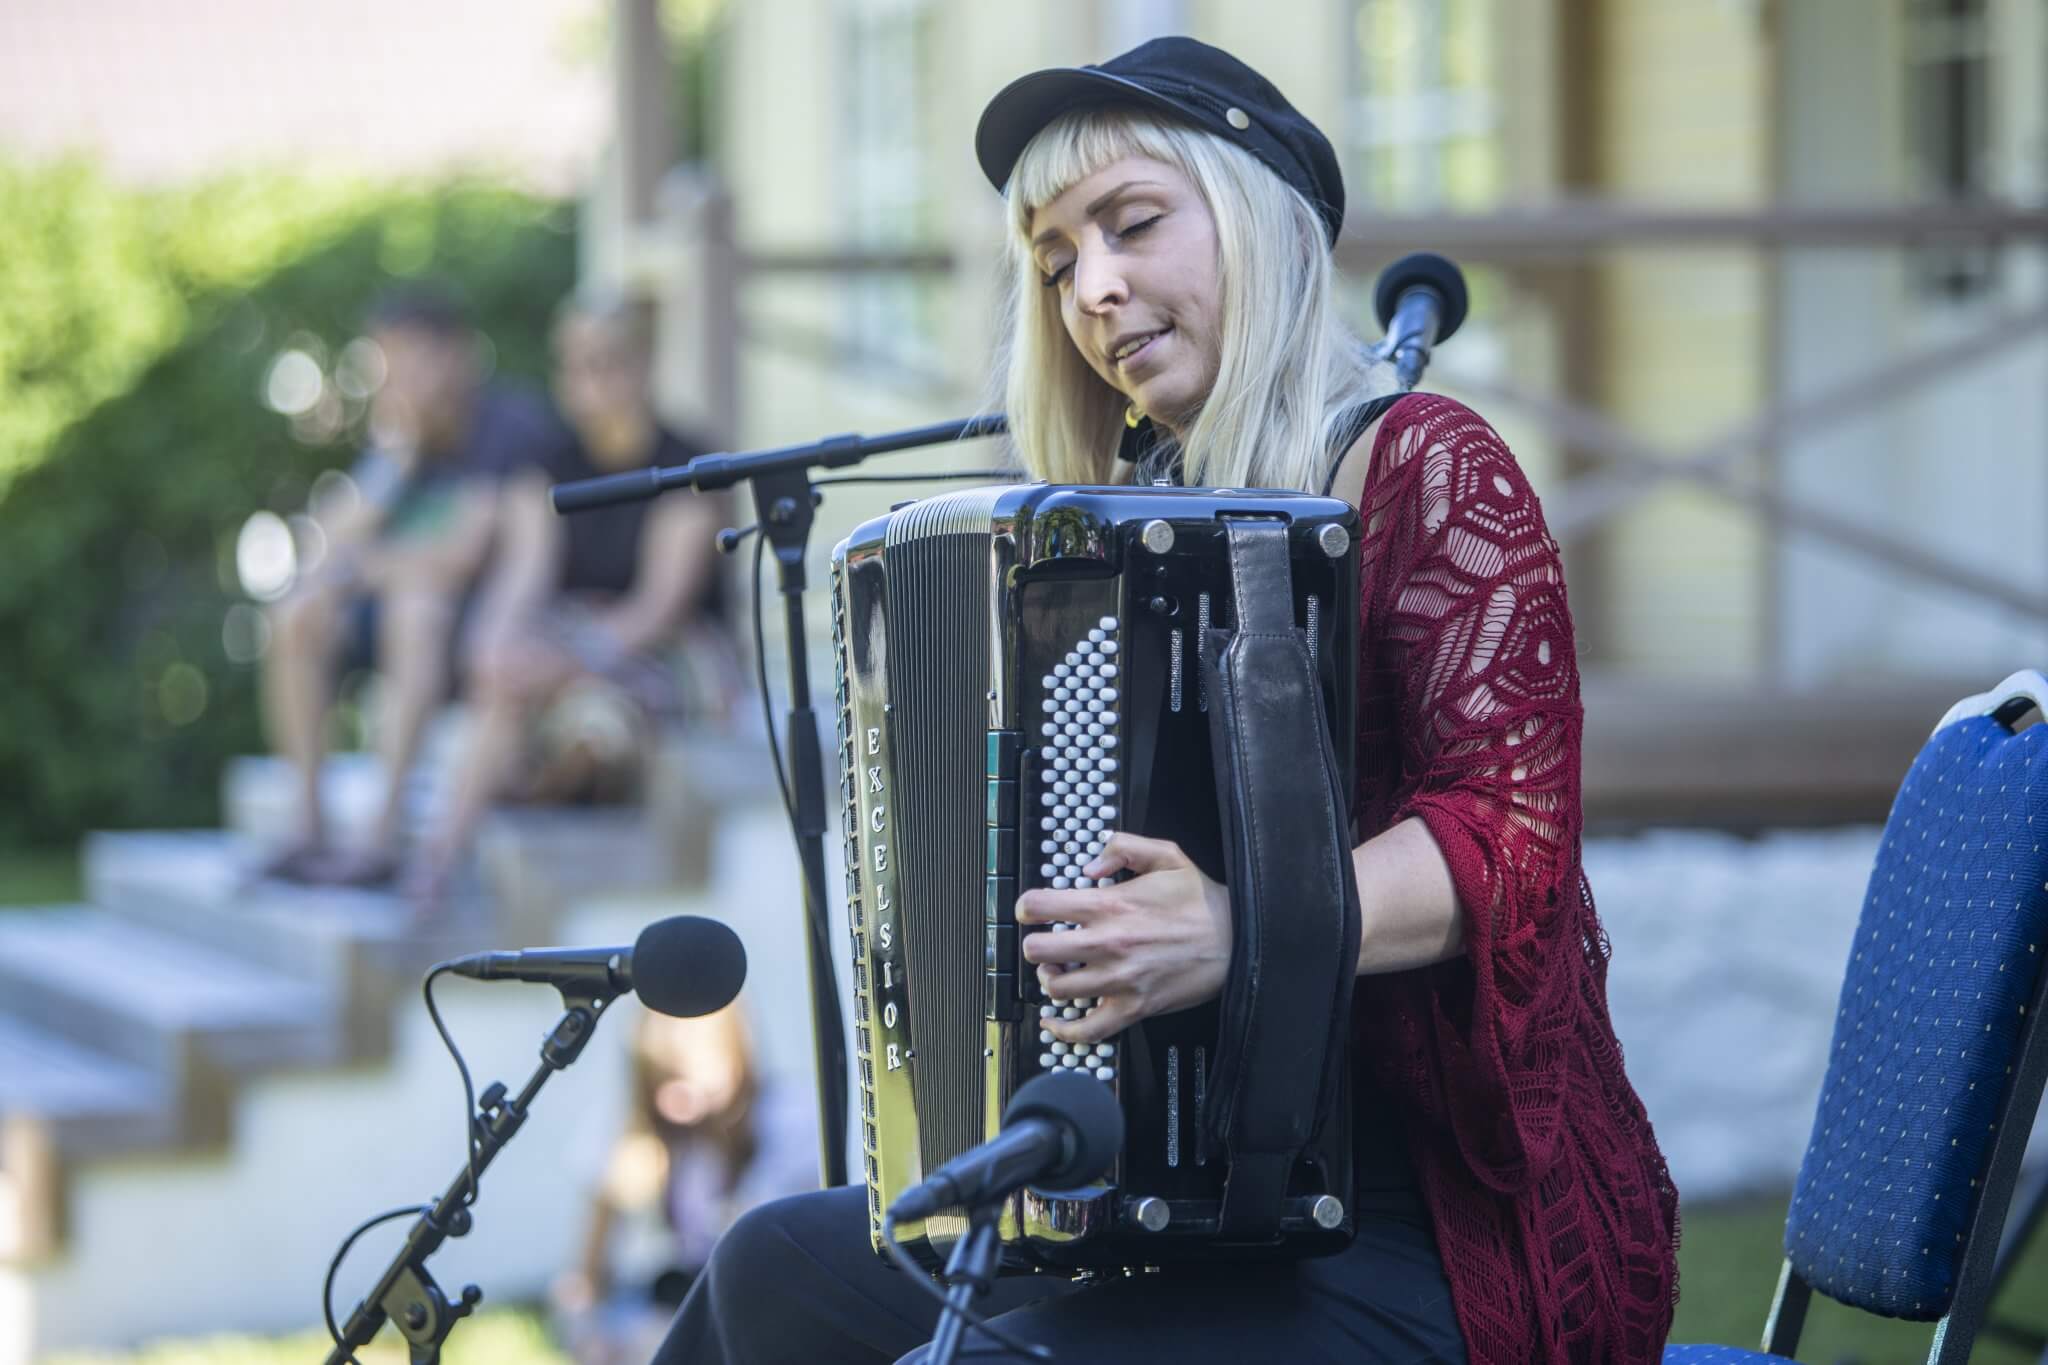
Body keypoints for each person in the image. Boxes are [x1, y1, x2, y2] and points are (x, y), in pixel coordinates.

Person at [654, 36, 1679, 1365]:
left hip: (1445, 1233)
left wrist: (1243, 929)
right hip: (1187, 1191)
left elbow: (1512, 839)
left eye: (1133, 222)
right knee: (768, 1268)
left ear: (1253, 220)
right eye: (1057, 259)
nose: (1097, 285)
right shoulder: (1133, 526)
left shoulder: (1425, 464)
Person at [401, 292, 732, 910]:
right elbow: (523, 576)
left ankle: (508, 807)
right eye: (576, 363)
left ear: (642, 365)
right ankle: (442, 859)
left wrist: (563, 656)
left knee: (590, 724)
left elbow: (660, 607)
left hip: (669, 656)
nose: (589, 380)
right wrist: (494, 646)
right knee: (511, 689)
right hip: (573, 650)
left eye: (606, 361)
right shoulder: (548, 462)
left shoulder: (686, 461)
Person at [257, 287, 573, 888]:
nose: (399, 373)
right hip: (395, 610)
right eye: (388, 357)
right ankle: (307, 827)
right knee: (294, 613)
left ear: (457, 355)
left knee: (416, 606)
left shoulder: (507, 425)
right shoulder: (399, 435)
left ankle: (382, 834)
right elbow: (324, 545)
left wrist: (362, 566)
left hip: (476, 627)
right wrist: (395, 460)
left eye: (413, 355)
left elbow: (455, 556)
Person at [550, 1004, 816, 1365]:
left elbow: (807, 1269)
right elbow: (586, 1275)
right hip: (669, 1310)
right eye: (658, 1080)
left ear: (732, 1053)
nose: (671, 1099)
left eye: (684, 1076)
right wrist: (588, 1333)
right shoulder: (633, 1133)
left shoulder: (789, 1120)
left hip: (764, 1318)